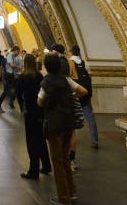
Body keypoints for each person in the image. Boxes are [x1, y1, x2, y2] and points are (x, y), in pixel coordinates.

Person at [38, 53, 87, 205]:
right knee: (65, 157)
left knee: (57, 161)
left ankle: (63, 197)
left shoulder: (46, 82)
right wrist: (70, 97)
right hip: (68, 123)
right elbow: (83, 91)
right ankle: (71, 191)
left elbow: (40, 101)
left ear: (46, 67)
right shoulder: (66, 80)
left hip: (54, 125)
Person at [16, 54, 52, 180]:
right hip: (40, 111)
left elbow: (18, 94)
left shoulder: (22, 77)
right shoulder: (39, 76)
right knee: (41, 139)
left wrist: (22, 107)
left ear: (25, 63)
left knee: (31, 141)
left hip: (29, 112)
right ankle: (46, 165)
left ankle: (33, 170)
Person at [0, 45, 22, 113]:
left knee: (16, 90)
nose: (18, 53)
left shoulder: (14, 56)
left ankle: (11, 102)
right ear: (15, 50)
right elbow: (12, 65)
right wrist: (19, 68)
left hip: (12, 76)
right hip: (8, 76)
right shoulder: (10, 55)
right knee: (5, 92)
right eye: (18, 51)